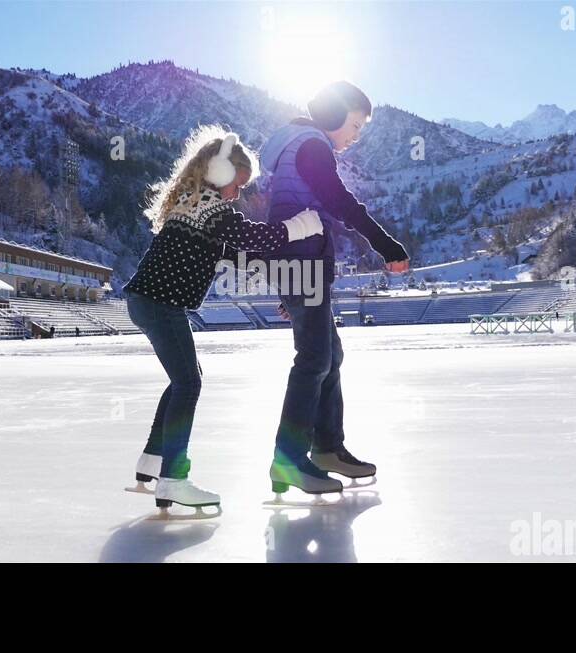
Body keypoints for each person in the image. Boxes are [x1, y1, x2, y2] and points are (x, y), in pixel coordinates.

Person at [122, 125, 323, 509]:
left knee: (184, 378)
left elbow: (235, 254)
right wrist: (301, 227)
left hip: (147, 302)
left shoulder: (192, 202)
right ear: (220, 174)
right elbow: (255, 239)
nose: (239, 193)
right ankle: (173, 478)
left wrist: (282, 280)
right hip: (159, 304)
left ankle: (154, 458)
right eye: (238, 184)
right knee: (188, 383)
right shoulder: (211, 209)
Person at [260, 81, 410, 495]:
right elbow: (340, 202)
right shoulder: (312, 147)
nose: (356, 135)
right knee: (314, 359)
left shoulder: (300, 146)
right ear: (332, 115)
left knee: (330, 354)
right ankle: (288, 459)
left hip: (301, 265)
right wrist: (386, 245)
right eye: (355, 124)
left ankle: (326, 447)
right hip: (301, 264)